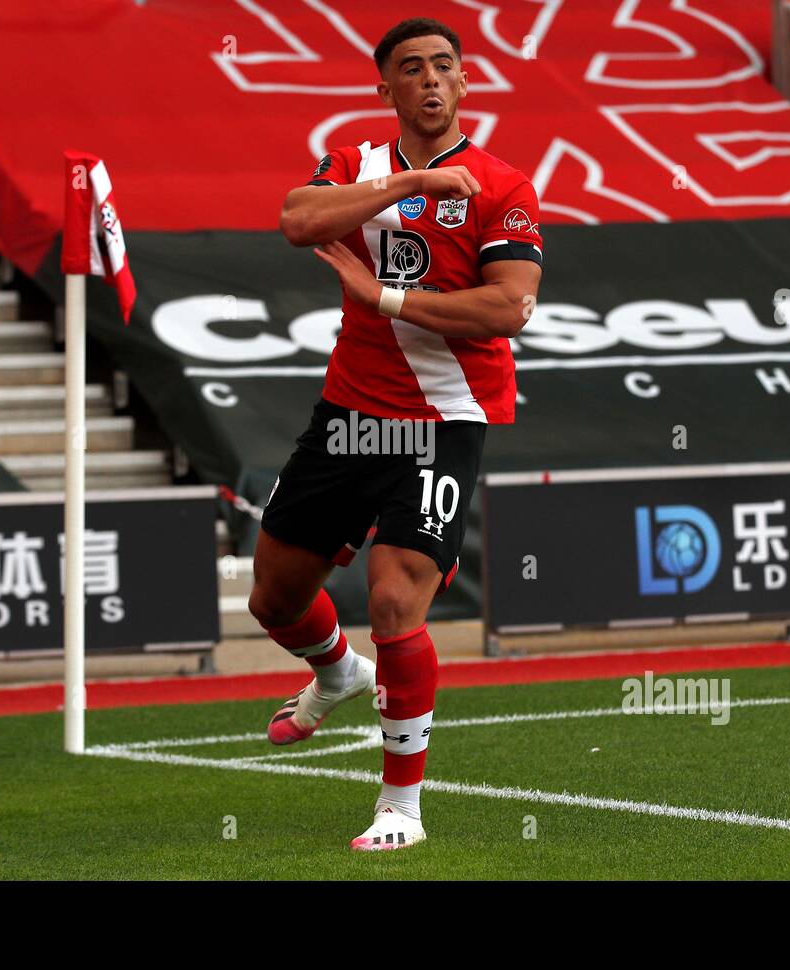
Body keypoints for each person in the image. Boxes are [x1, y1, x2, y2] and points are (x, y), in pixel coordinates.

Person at [247, 16, 544, 851]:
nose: (429, 79)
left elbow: (508, 308)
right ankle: (338, 672)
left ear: (463, 80)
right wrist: (401, 192)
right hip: (351, 413)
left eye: (443, 65)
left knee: (392, 597)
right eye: (410, 69)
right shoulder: (355, 165)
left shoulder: (501, 183)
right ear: (387, 90)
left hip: (445, 420)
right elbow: (298, 219)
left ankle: (400, 808)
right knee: (273, 597)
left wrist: (384, 299)